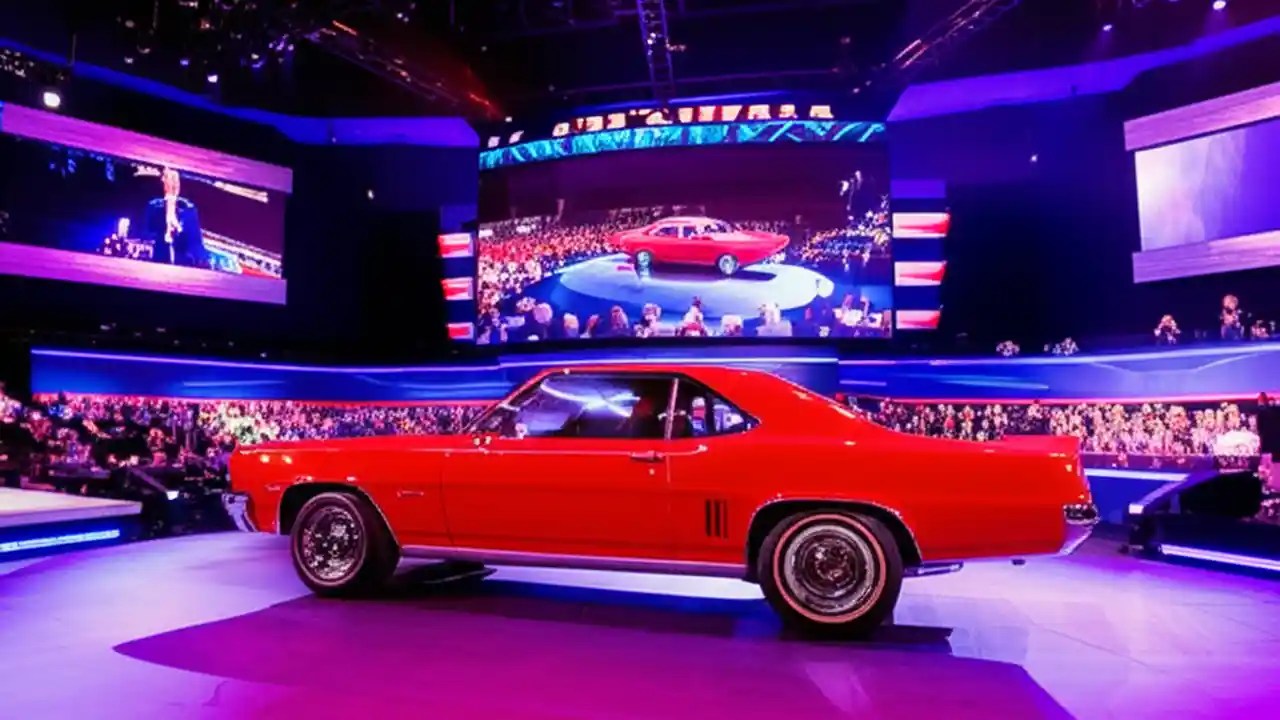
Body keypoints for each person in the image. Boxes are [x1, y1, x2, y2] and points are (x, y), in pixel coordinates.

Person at [144, 168, 205, 268]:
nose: (170, 182)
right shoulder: (154, 206)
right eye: (166, 178)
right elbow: (148, 230)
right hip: (160, 254)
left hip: (181, 256)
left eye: (174, 179)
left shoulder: (188, 210)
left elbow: (195, 241)